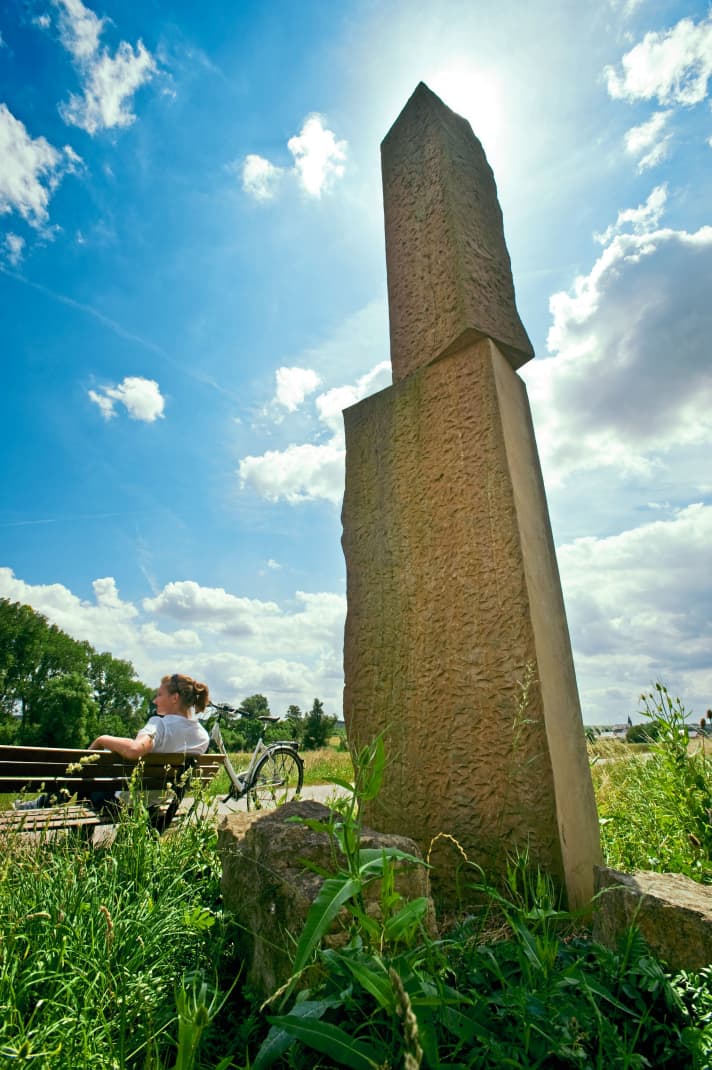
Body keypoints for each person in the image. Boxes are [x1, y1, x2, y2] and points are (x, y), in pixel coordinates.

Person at [14, 673, 210, 810]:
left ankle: (58, 818)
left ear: (175, 698)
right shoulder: (201, 736)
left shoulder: (159, 725)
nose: (155, 700)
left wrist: (102, 739)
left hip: (124, 804)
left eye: (159, 694)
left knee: (86, 777)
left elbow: (134, 750)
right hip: (157, 803)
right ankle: (47, 803)